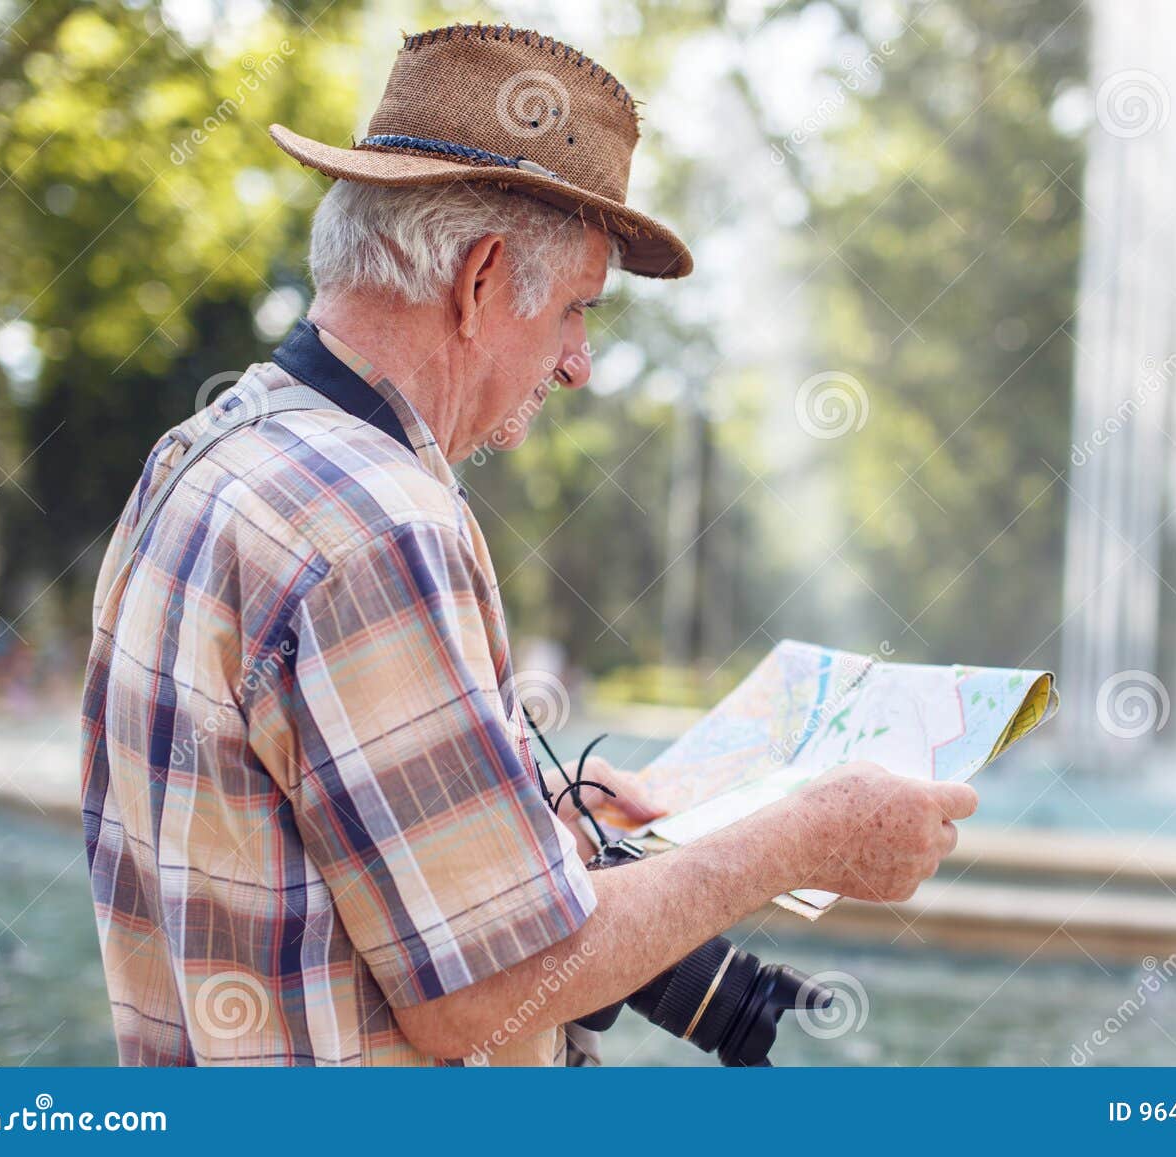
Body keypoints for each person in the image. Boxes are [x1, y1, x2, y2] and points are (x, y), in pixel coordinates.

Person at [80, 22, 976, 1067]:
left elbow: (262, 824)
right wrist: (806, 836)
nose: (579, 362)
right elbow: (488, 992)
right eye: (572, 312)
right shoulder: (381, 523)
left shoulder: (204, 450)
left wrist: (514, 813)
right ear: (480, 278)